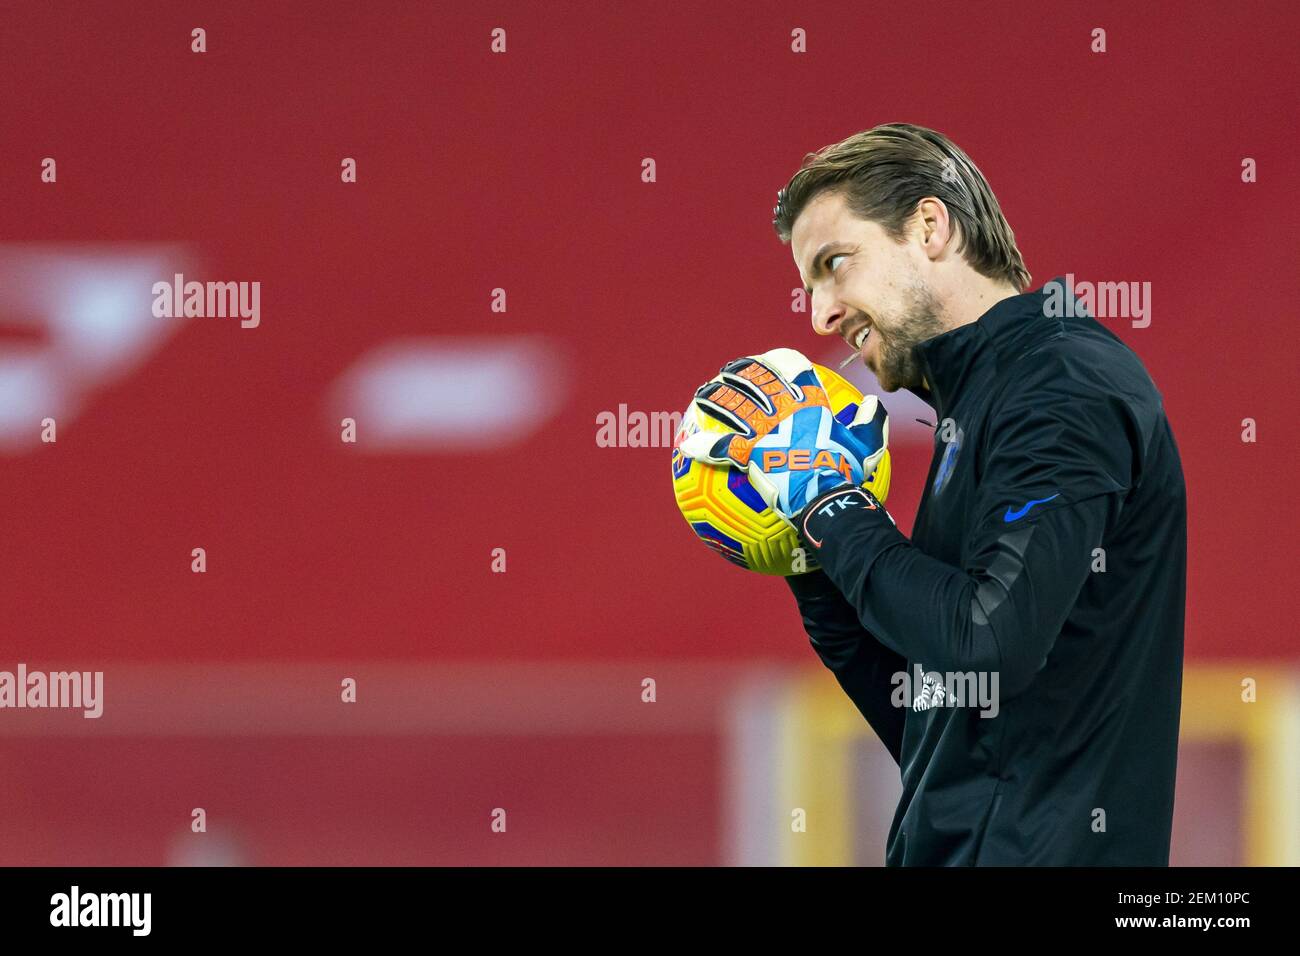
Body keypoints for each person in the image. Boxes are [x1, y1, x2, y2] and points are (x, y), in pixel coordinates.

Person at [691, 123, 1186, 865]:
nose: (820, 314)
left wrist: (833, 508)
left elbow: (989, 644)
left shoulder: (1062, 383)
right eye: (809, 287)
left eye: (835, 264)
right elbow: (941, 727)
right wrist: (811, 559)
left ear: (930, 226)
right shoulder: (981, 400)